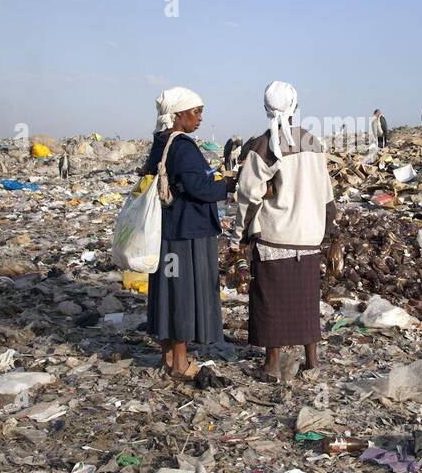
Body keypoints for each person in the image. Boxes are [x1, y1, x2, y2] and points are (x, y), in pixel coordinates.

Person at [231, 82, 337, 379]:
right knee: (306, 302)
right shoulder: (313, 142)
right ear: (294, 106)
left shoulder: (264, 145)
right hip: (308, 238)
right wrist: (326, 234)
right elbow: (328, 199)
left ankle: (272, 364)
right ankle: (312, 362)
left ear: (266, 109)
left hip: (275, 236)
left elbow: (248, 196)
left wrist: (240, 235)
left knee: (271, 301)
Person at [142, 87, 235, 380]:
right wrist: (230, 187)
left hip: (166, 232)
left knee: (167, 290)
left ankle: (168, 356)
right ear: (178, 115)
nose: (200, 118)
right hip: (185, 233)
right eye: (196, 112)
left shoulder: (161, 142)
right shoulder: (181, 145)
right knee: (182, 292)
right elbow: (199, 188)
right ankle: (181, 364)